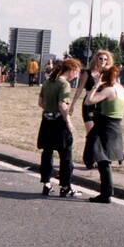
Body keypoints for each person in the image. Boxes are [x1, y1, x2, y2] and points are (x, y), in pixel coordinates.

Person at [37, 58, 81, 198]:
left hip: (46, 121)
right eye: (77, 72)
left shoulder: (48, 82)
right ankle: (65, 186)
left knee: (47, 152)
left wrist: (49, 109)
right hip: (59, 123)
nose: (77, 75)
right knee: (65, 155)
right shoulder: (64, 84)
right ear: (72, 70)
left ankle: (47, 183)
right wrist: (68, 121)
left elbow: (40, 102)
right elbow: (63, 105)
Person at [83, 65, 124, 203]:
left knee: (102, 160)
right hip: (115, 125)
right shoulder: (122, 89)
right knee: (104, 159)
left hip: (104, 124)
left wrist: (96, 85)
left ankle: (106, 193)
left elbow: (88, 101)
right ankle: (106, 192)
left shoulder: (108, 90)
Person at [73, 49, 115, 164]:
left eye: (105, 59)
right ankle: (89, 158)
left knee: (100, 133)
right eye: (100, 58)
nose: (102, 61)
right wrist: (72, 105)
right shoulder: (87, 72)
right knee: (91, 132)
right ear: (96, 59)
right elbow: (79, 89)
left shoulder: (107, 74)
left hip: (101, 105)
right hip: (88, 104)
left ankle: (97, 157)